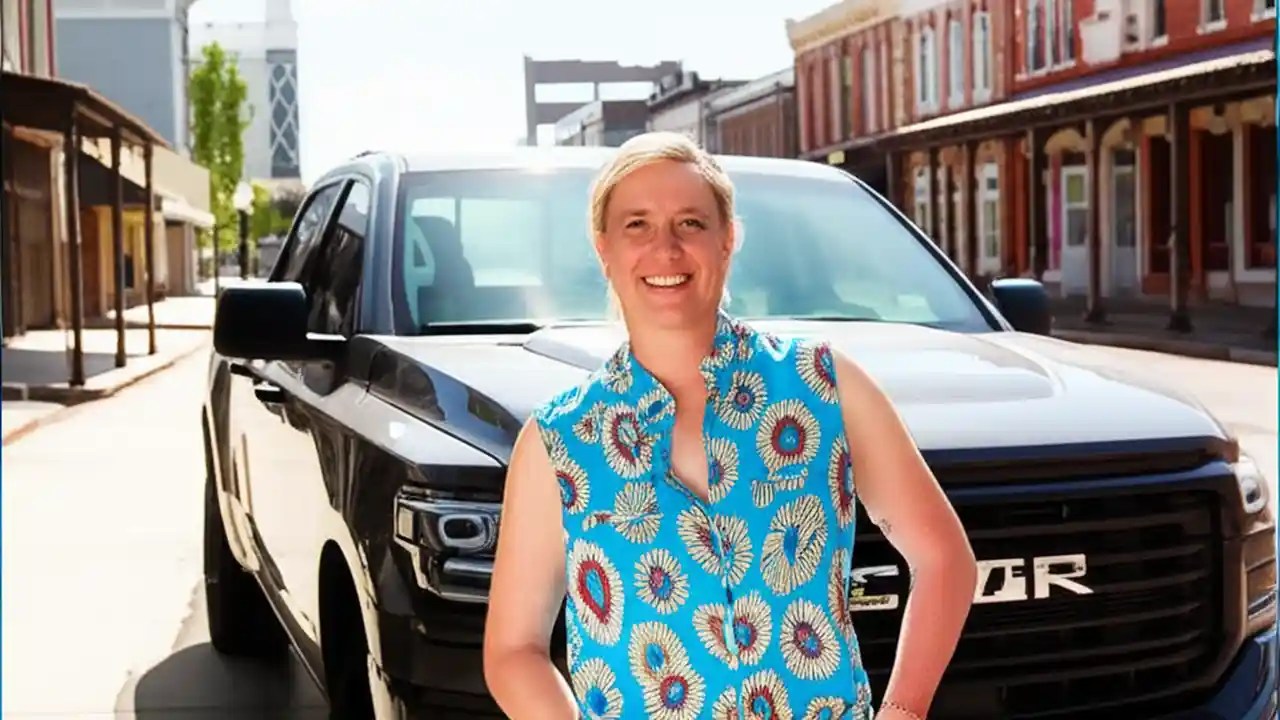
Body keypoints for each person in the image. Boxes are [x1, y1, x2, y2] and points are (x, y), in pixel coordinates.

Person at [483, 131, 977, 720]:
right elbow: (514, 650)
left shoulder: (823, 386)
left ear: (728, 239)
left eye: (690, 223)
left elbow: (943, 557)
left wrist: (901, 710)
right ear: (604, 250)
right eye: (637, 224)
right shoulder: (559, 441)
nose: (665, 249)